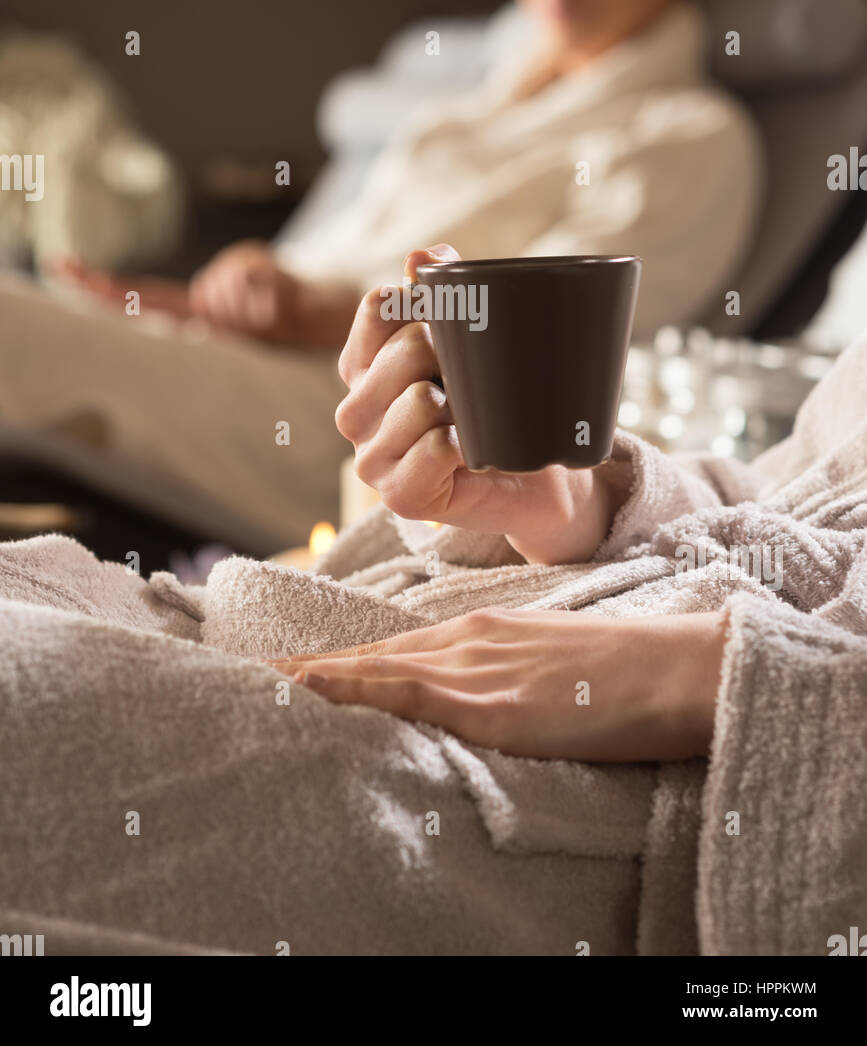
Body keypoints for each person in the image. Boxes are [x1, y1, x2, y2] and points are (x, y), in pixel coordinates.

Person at [0, 0, 761, 549]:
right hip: (270, 361)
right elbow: (314, 276)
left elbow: (540, 358)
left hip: (377, 429)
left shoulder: (690, 139)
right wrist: (226, 297)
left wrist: (307, 313)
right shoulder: (492, 97)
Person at [1, 242, 865, 956]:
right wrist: (572, 504)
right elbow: (782, 492)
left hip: (716, 798)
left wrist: (716, 677)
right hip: (551, 617)